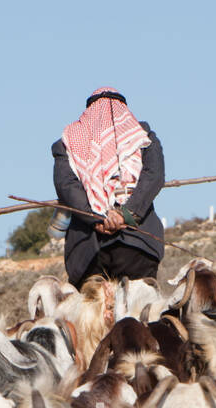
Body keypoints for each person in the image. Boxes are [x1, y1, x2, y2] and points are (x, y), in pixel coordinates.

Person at [52, 87, 165, 291]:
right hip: (137, 244)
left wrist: (97, 218)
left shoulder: (67, 142)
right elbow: (154, 176)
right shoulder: (141, 135)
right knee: (139, 318)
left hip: (88, 251)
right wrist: (126, 215)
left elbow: (67, 186)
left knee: (90, 320)